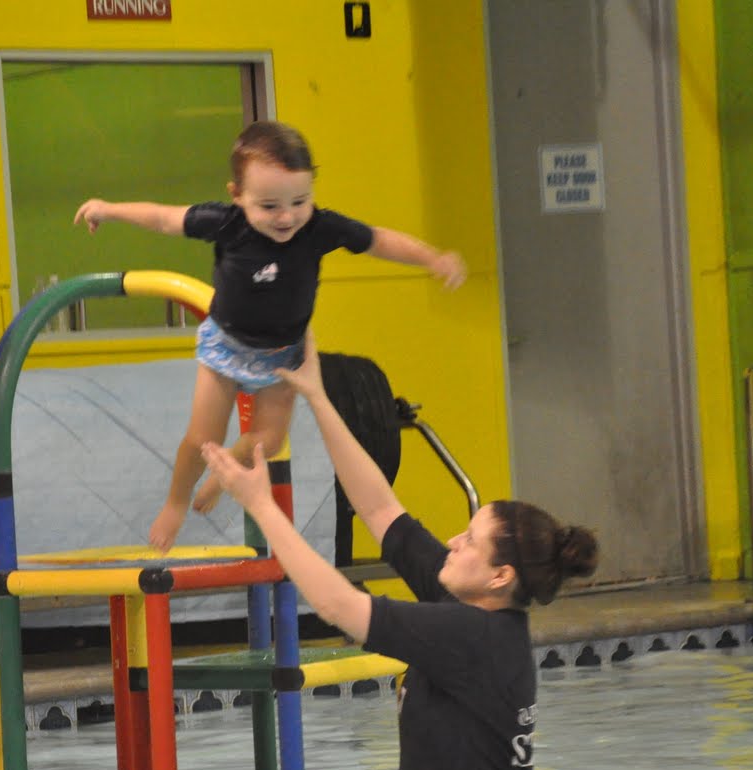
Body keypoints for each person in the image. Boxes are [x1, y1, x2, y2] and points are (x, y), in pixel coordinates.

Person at [200, 333, 599, 770]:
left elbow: (337, 606)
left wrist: (263, 507)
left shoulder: (470, 634)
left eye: (470, 541)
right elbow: (380, 509)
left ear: (500, 576)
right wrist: (318, 397)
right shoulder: (469, 605)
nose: (453, 543)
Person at [74, 119, 467, 550]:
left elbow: (378, 240)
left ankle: (222, 479)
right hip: (225, 347)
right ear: (237, 195)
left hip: (283, 355)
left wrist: (432, 258)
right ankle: (176, 502)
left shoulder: (320, 227)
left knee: (270, 440)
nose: (287, 217)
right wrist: (108, 209)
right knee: (201, 438)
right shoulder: (226, 224)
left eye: (299, 201)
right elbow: (164, 218)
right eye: (269, 206)